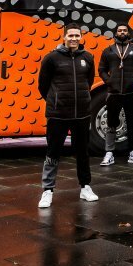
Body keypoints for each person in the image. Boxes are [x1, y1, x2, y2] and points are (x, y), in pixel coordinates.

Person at [37, 23, 98, 208]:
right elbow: (43, 86)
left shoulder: (87, 57)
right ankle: (47, 190)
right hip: (58, 115)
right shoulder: (51, 58)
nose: (74, 39)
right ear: (64, 37)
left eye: (77, 35)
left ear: (81, 37)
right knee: (53, 152)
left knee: (82, 152)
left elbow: (89, 81)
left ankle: (85, 187)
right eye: (70, 35)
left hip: (82, 114)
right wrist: (55, 101)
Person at [98, 23, 133, 166]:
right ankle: (109, 153)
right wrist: (109, 81)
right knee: (111, 123)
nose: (122, 32)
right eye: (120, 30)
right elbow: (101, 69)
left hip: (130, 93)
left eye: (124, 30)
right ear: (115, 33)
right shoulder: (108, 51)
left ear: (128, 33)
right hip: (113, 93)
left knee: (132, 123)